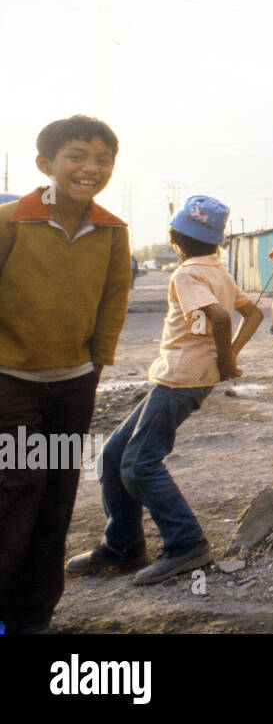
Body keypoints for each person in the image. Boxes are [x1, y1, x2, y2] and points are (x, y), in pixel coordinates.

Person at [67, 195, 262, 585]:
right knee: (111, 456)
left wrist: (226, 359)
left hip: (180, 380)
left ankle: (186, 543)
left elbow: (220, 316)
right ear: (217, 241)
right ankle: (123, 546)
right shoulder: (217, 272)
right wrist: (231, 354)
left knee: (139, 465)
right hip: (181, 379)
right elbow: (252, 312)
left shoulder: (186, 274)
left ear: (174, 237)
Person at [0, 115, 131, 633]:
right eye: (76, 156)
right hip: (11, 384)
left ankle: (33, 614)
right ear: (45, 165)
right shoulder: (12, 222)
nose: (90, 168)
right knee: (16, 487)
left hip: (72, 385)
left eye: (103, 159)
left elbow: (114, 303)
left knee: (57, 492)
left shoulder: (111, 230)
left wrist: (95, 366)